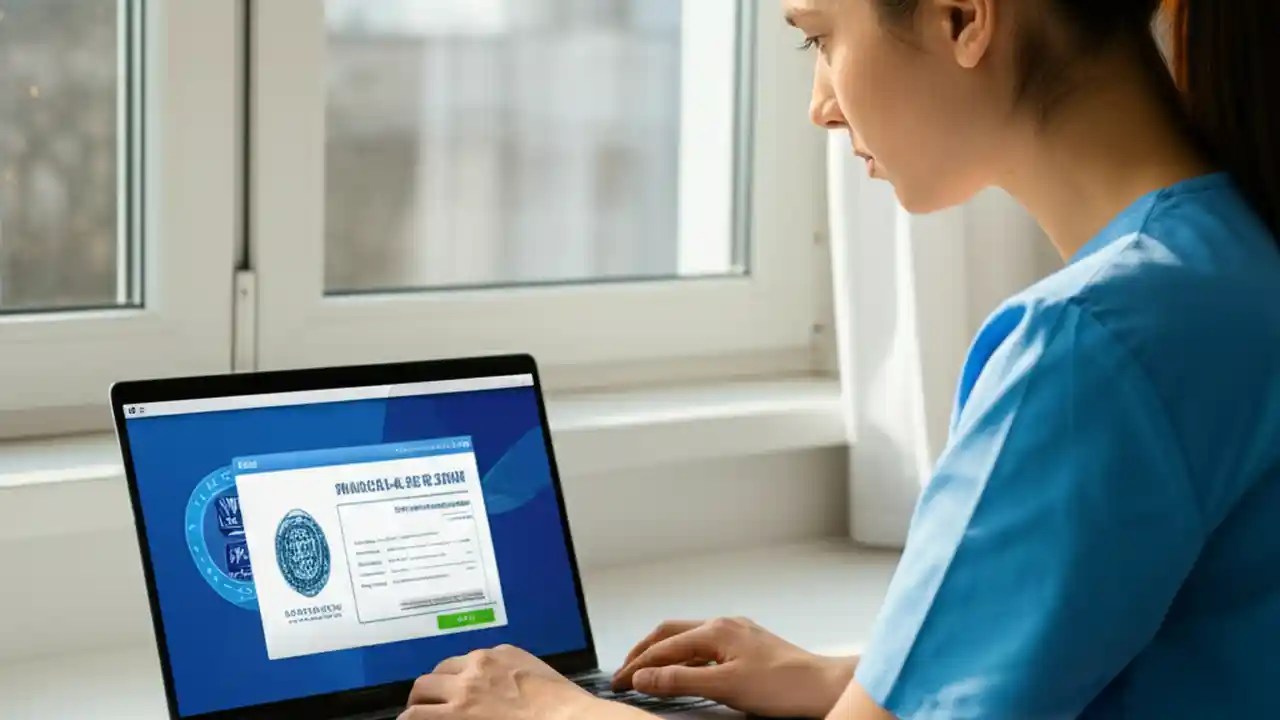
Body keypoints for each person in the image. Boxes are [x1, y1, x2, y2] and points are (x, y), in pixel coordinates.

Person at [398, 0, 1280, 717]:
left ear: (963, 17)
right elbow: (1188, 637)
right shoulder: (1238, 257)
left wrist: (551, 712)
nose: (819, 103)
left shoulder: (1090, 342)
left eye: (821, 39)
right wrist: (862, 679)